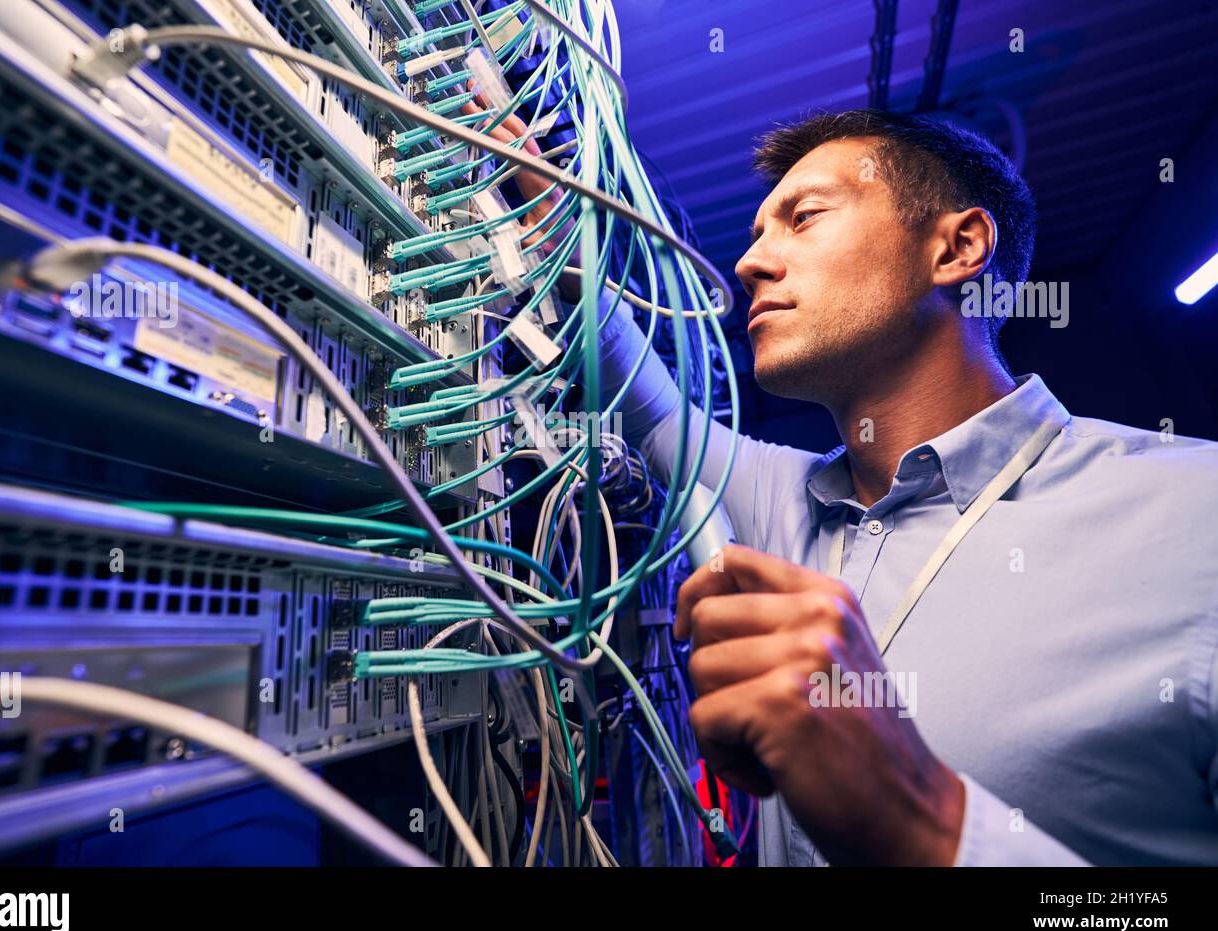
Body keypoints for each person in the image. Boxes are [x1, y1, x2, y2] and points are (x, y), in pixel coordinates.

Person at [490, 102, 1218, 865]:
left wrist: (929, 823)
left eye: (803, 218)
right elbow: (651, 405)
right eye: (756, 234)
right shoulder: (790, 502)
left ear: (958, 247)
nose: (750, 263)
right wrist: (558, 229)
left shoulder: (1192, 519)